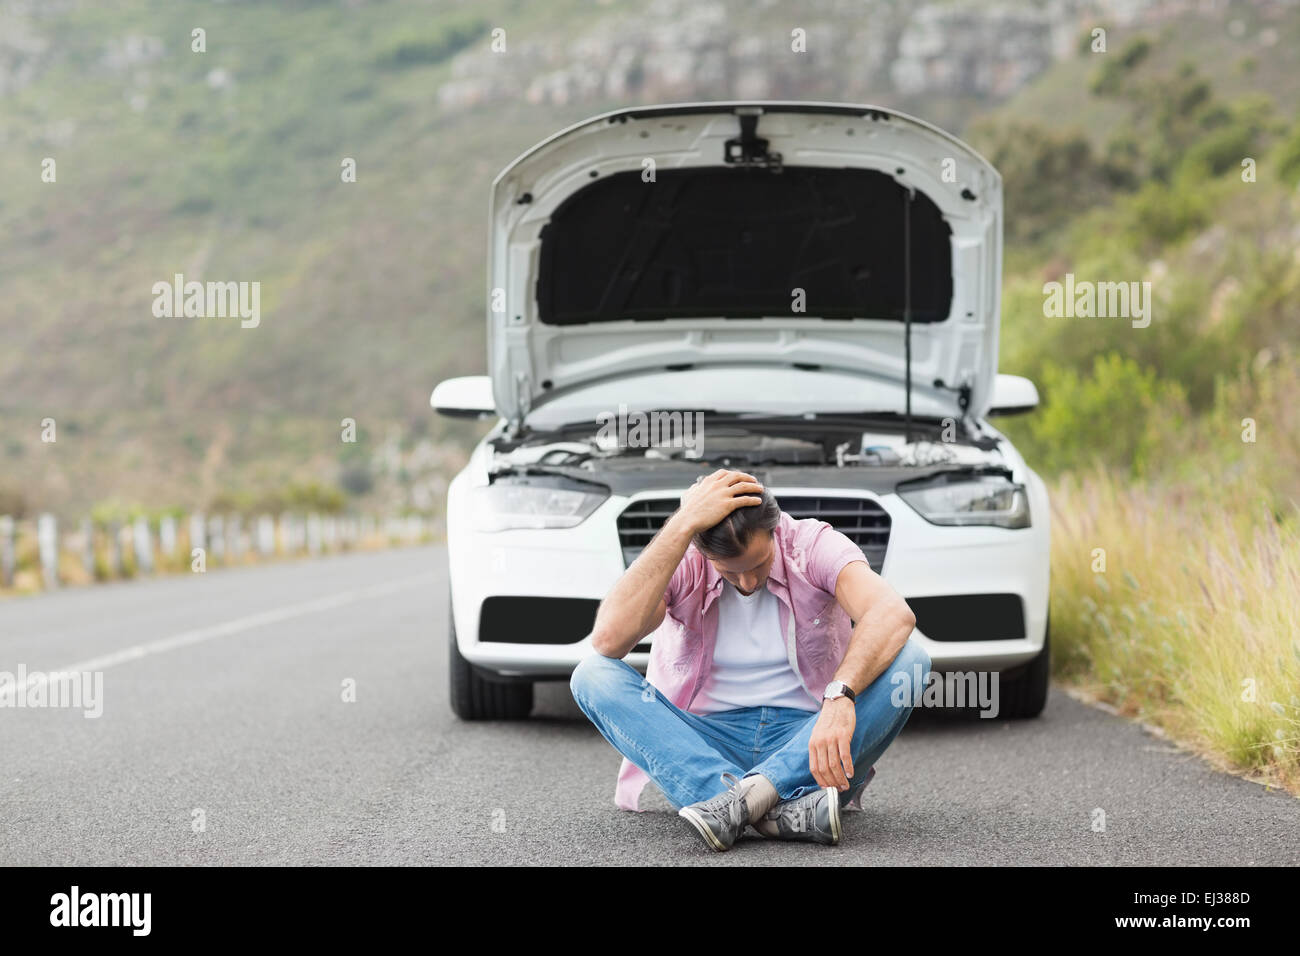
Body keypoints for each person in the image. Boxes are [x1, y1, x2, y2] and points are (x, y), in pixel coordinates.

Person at [570, 468, 930, 851]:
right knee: (592, 675)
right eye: (729, 571)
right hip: (707, 745)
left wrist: (841, 695)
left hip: (808, 741)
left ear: (775, 531)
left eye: (757, 565)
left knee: (913, 660)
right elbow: (609, 640)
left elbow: (892, 613)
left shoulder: (810, 545)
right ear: (702, 550)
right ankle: (773, 811)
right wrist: (681, 526)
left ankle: (734, 803)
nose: (745, 583)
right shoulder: (684, 557)